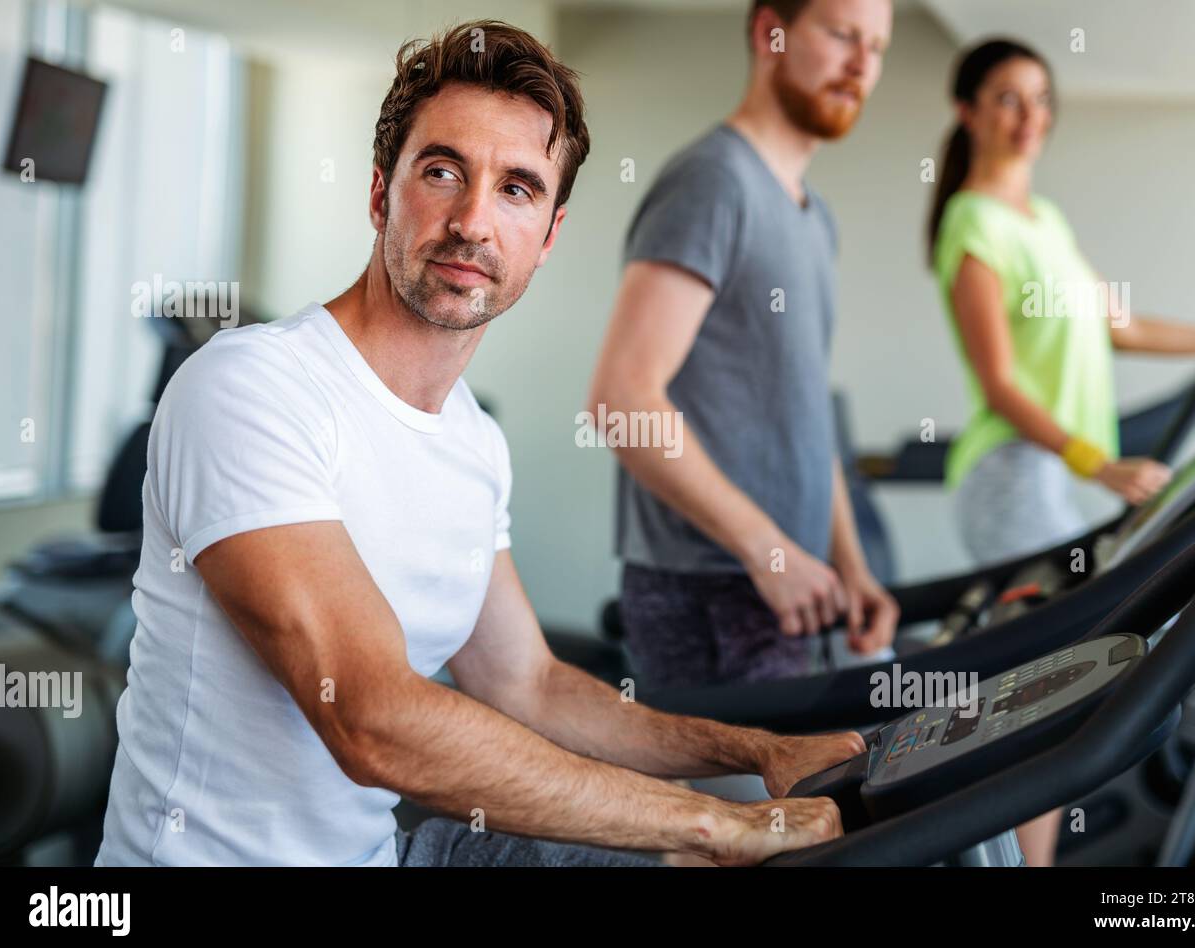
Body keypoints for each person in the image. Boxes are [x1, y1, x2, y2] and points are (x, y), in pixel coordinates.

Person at [94, 20, 862, 868]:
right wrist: (714, 824)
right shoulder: (249, 388)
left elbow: (526, 684)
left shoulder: (474, 442)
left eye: (517, 190)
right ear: (381, 193)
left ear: (549, 237)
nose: (472, 221)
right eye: (443, 171)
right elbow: (370, 717)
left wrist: (756, 754)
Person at [927, 37, 1195, 866]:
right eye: (1008, 98)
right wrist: (1098, 460)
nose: (1030, 117)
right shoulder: (971, 223)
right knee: (1043, 701)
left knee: (1056, 698)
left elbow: (1120, 325)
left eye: (1042, 99)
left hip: (1057, 480)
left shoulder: (1041, 222)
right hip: (1014, 475)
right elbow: (1002, 384)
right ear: (968, 112)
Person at [588, 0, 900, 692]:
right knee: (754, 806)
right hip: (710, 588)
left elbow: (807, 414)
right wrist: (771, 552)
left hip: (789, 586)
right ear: (771, 32)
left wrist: (850, 564)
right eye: (844, 35)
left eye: (876, 47)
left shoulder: (816, 217)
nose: (861, 65)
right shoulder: (713, 183)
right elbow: (621, 400)